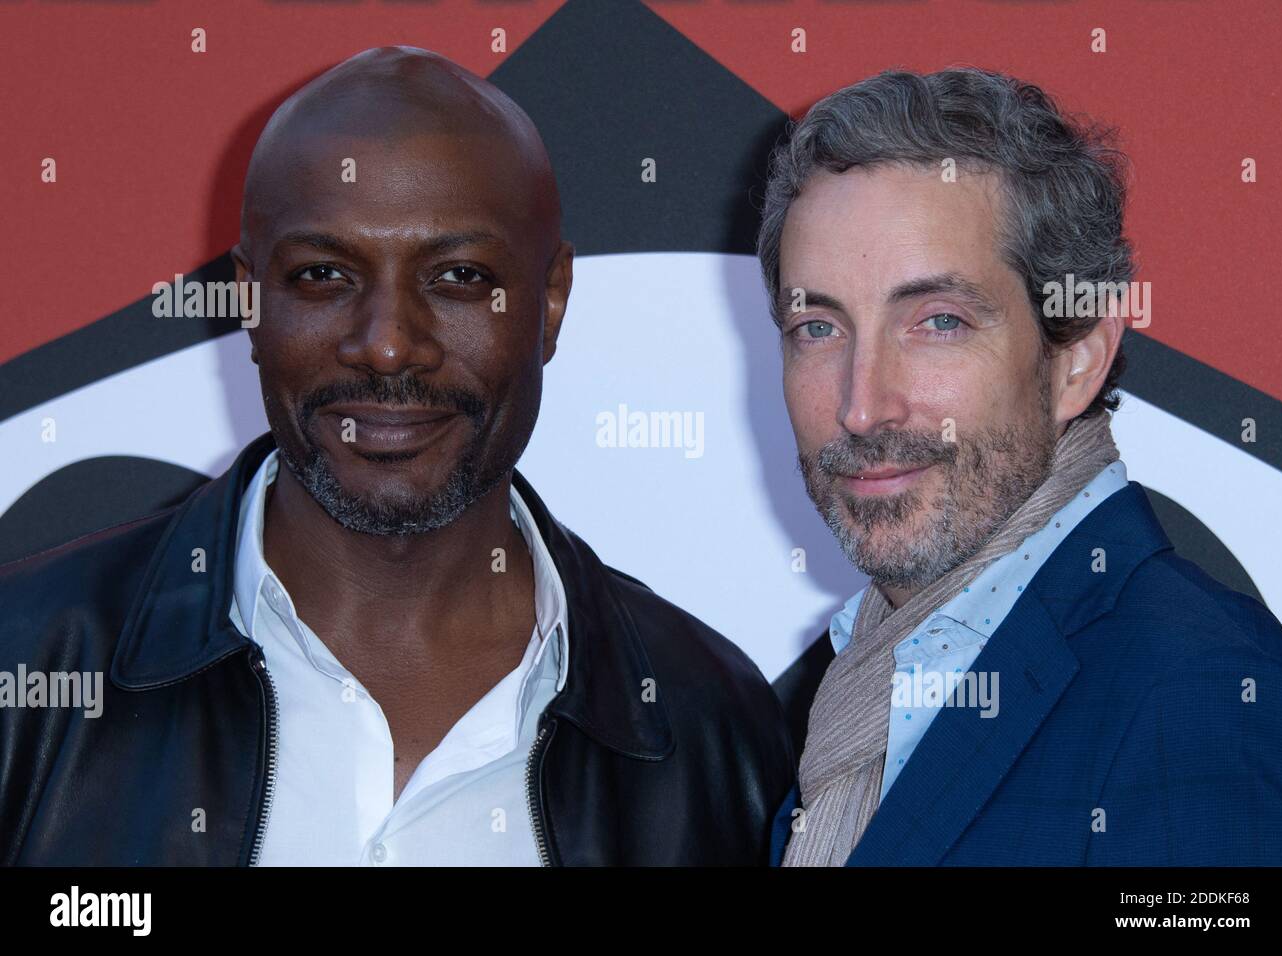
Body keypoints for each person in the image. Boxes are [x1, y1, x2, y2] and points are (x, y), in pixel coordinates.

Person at [0, 46, 792, 866]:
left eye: (456, 276)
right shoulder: (28, 674)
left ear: (549, 302)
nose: (385, 347)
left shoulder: (708, 732)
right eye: (322, 275)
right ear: (248, 300)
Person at [758, 67, 1282, 866]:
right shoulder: (873, 680)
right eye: (817, 327)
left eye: (937, 322)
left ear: (1076, 359)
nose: (862, 406)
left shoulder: (1202, 703)